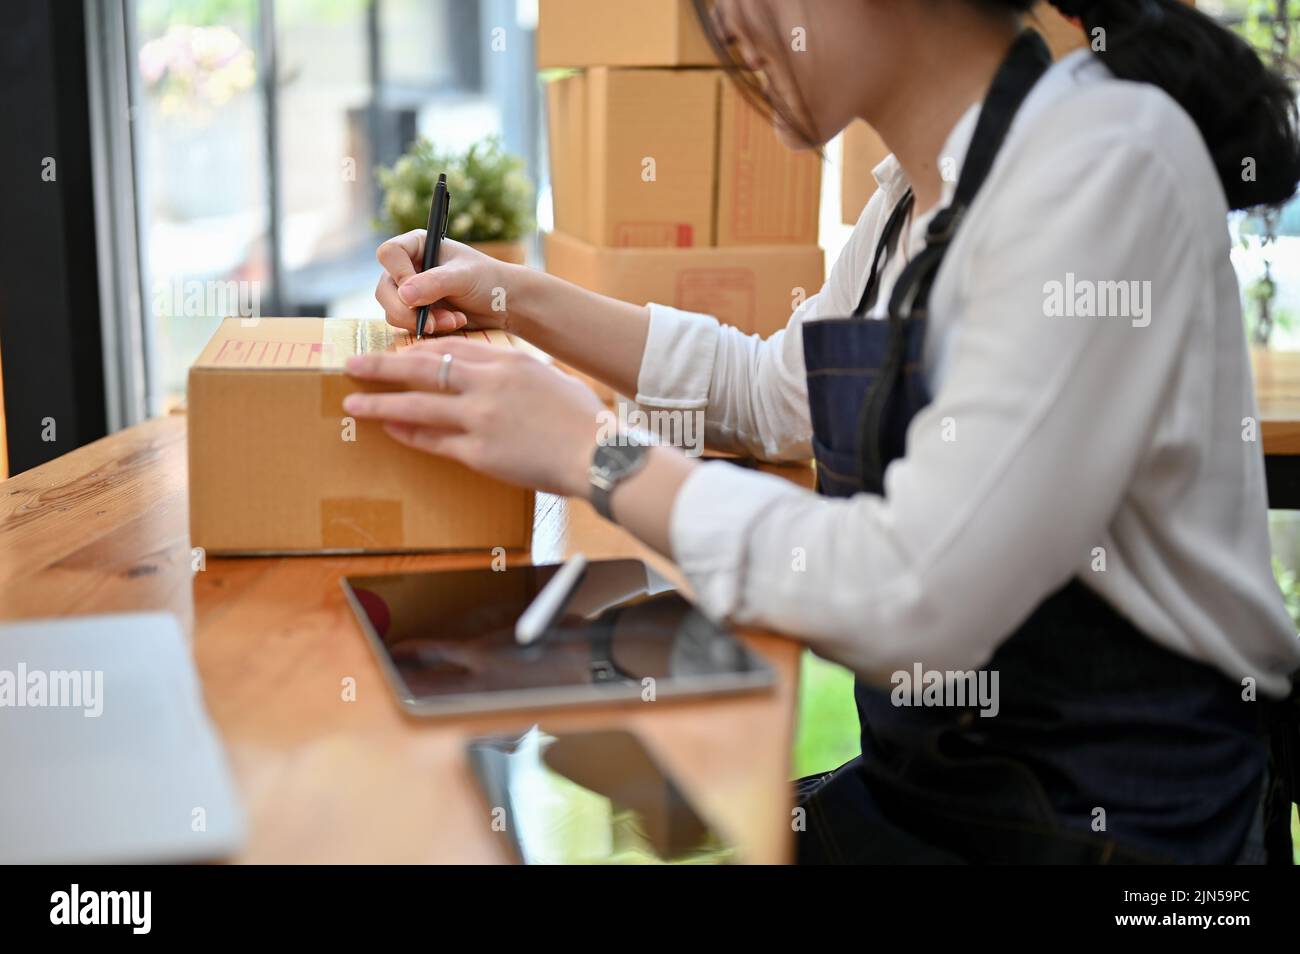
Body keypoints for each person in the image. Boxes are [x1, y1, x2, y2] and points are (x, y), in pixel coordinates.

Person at [346, 0, 1300, 863]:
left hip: (1125, 840)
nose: (727, 29)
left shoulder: (1104, 169)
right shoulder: (904, 208)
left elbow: (914, 594)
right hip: (935, 799)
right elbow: (765, 391)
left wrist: (593, 452)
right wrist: (511, 294)